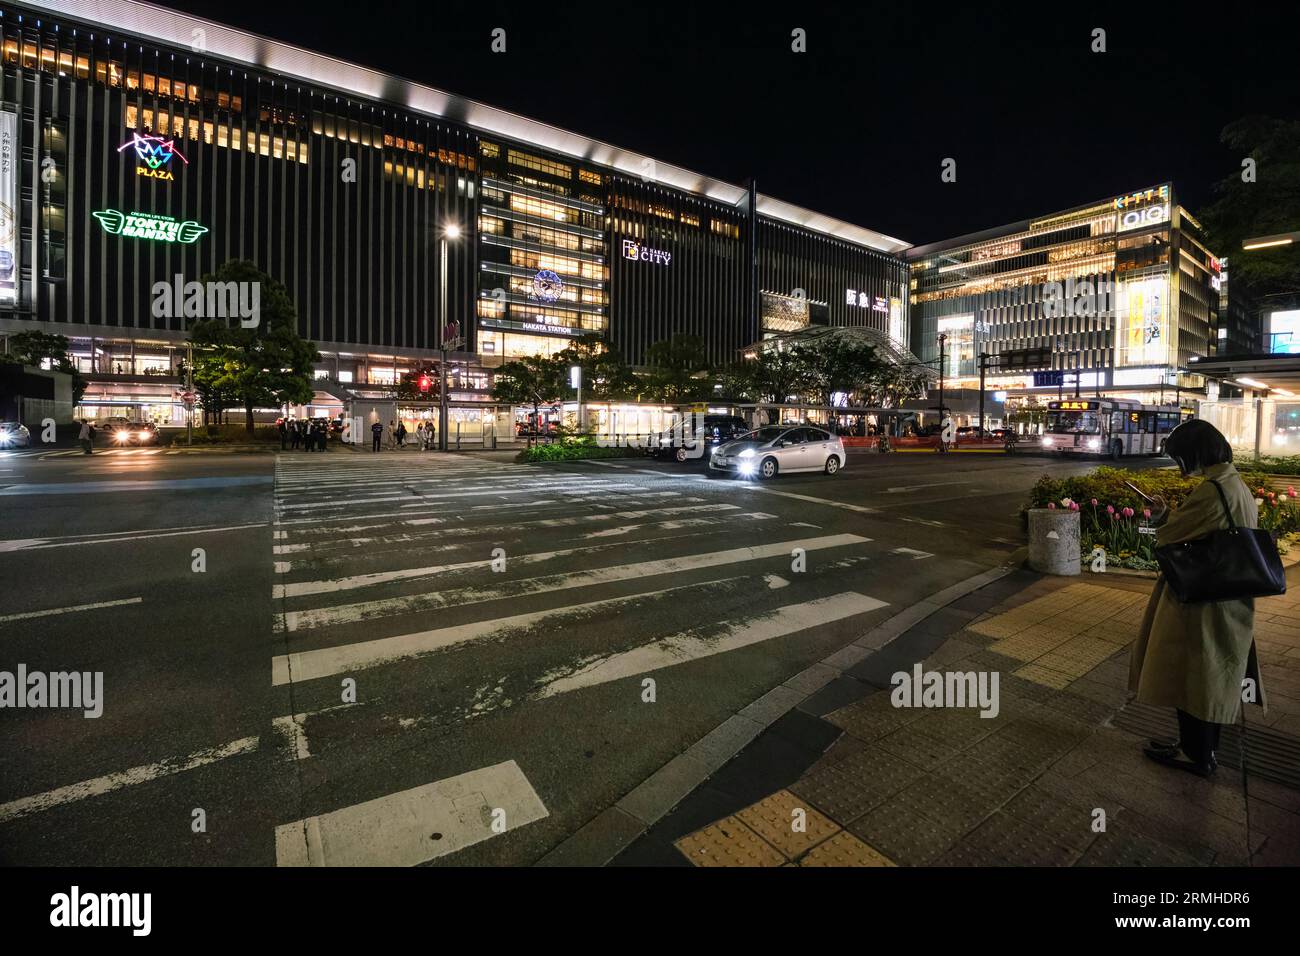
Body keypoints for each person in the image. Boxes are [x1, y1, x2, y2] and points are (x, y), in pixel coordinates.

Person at [1129, 419, 1266, 778]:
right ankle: (1201, 749)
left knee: (1193, 675)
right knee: (1212, 679)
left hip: (1204, 600)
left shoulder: (1214, 489)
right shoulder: (1234, 483)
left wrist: (1161, 517)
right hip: (1227, 597)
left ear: (1195, 453)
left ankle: (1196, 755)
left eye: (1181, 457)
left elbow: (1173, 534)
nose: (1180, 465)